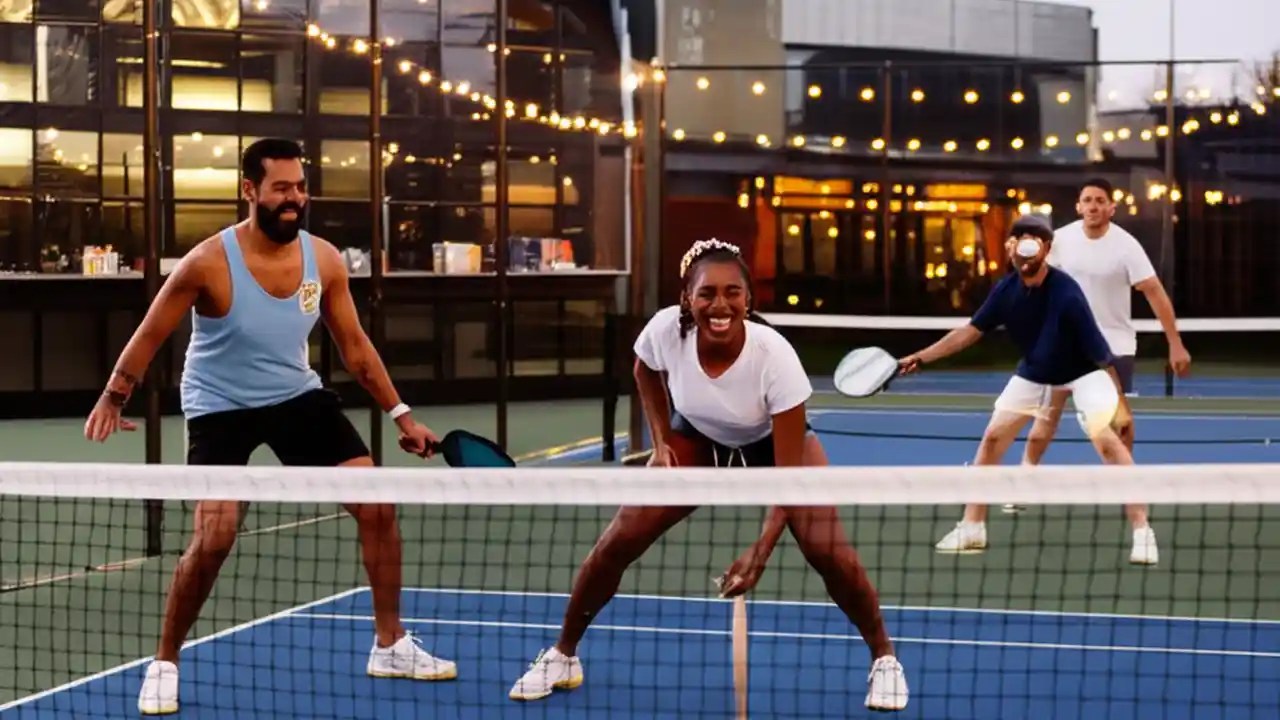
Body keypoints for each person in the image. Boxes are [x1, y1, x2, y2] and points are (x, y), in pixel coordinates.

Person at [83, 138, 457, 716]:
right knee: (215, 535)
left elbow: (354, 347)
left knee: (377, 501)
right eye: (282, 188)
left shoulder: (325, 259)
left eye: (300, 186)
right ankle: (164, 662)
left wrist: (401, 414)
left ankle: (391, 644)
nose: (295, 198)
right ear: (249, 190)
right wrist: (114, 395)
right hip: (219, 405)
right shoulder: (206, 262)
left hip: (295, 396)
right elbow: (151, 334)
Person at [507, 239, 909, 712]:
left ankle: (884, 658)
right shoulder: (664, 330)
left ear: (748, 300)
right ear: (687, 298)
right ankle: (562, 655)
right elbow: (643, 370)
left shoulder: (775, 357)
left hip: (774, 446)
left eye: (732, 292)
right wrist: (659, 441)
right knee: (619, 539)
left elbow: (787, 477)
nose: (720, 305)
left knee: (827, 552)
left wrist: (760, 553)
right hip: (697, 437)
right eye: (707, 293)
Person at [900, 215, 1158, 565]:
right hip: (1035, 373)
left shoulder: (1066, 293)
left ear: (1046, 249)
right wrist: (922, 356)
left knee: (1108, 444)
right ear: (1010, 248)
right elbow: (969, 331)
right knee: (992, 439)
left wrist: (1121, 407)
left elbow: (1101, 353)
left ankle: (1143, 532)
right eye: (1017, 238)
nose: (1023, 245)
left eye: (1033, 240)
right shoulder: (1006, 291)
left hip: (1084, 372)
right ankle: (972, 526)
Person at [1020, 177, 1191, 464]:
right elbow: (1034, 283)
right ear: (1078, 207)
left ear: (1111, 208)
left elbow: (1155, 293)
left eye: (1100, 201)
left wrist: (1175, 343)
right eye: (1087, 200)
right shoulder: (1059, 241)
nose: (1093, 206)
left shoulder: (1127, 246)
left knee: (1118, 425)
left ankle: (1123, 488)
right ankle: (1023, 479)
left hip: (1114, 348)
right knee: (1045, 421)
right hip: (1064, 348)